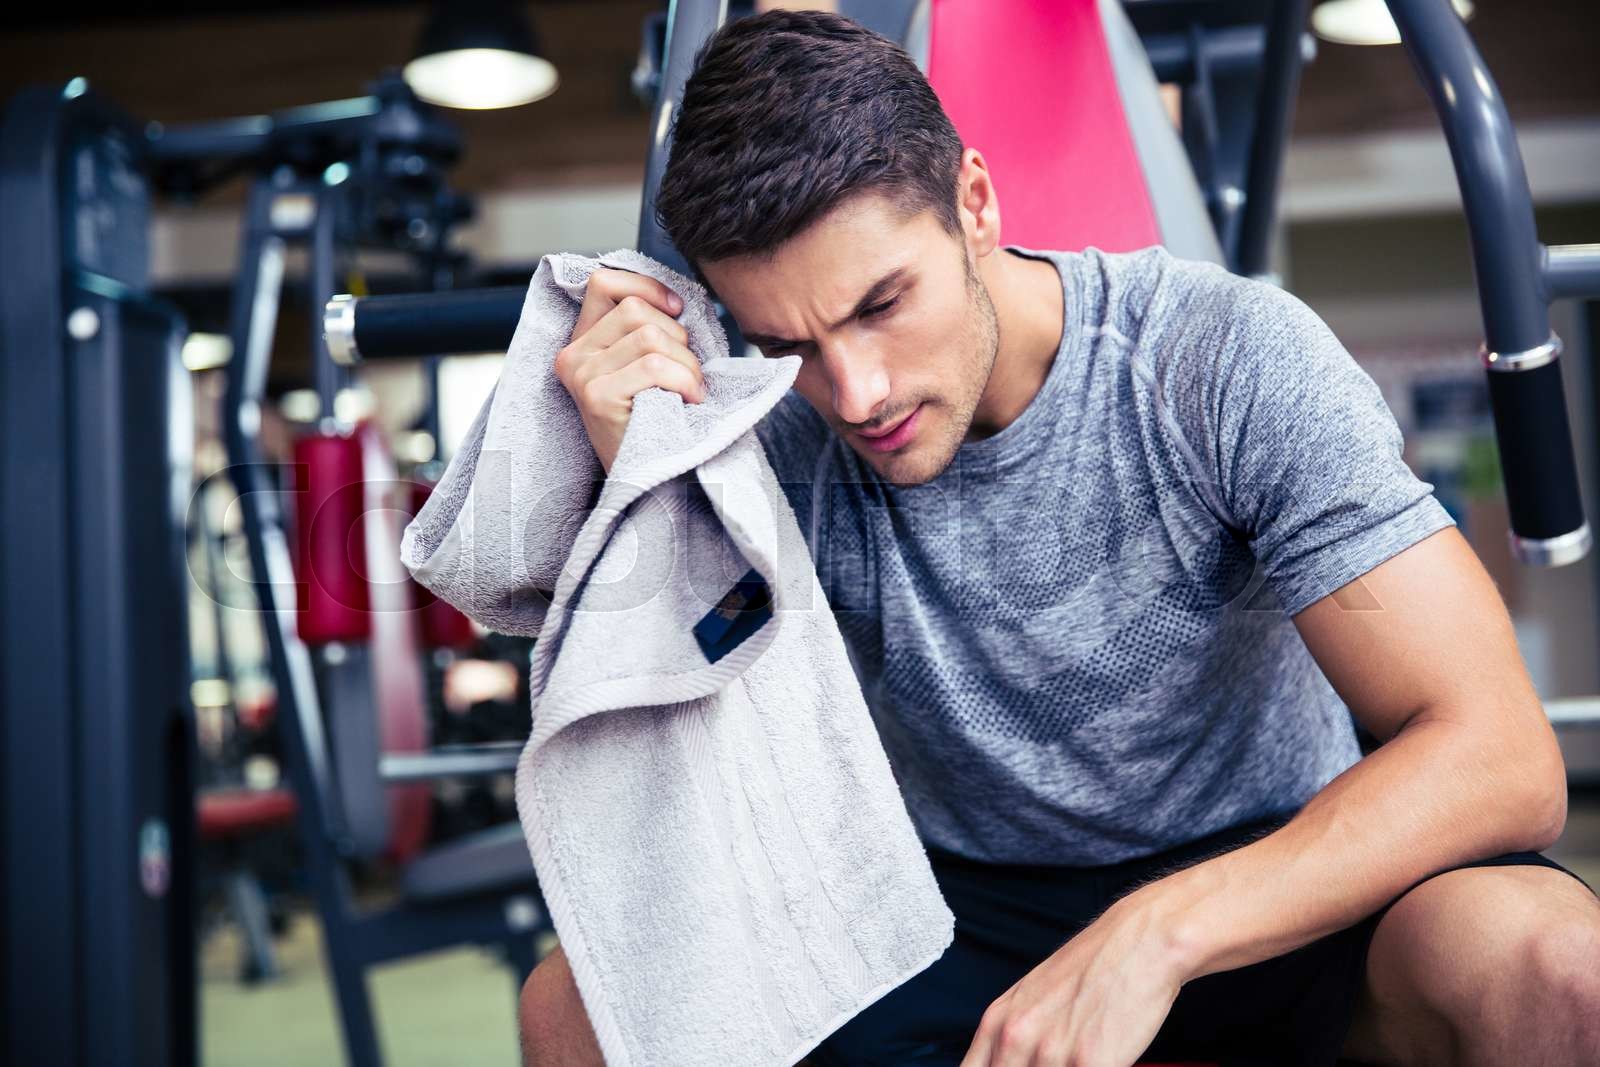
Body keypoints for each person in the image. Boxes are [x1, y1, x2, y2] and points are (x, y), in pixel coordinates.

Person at [521, 10, 1600, 1066]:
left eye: (881, 303)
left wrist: (1154, 932)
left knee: (1558, 964)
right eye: (788, 341)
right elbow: (695, 796)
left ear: (974, 204)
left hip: (1281, 873)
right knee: (582, 1007)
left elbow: (1501, 756)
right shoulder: (768, 427)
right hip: (950, 911)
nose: (856, 391)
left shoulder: (1218, 362)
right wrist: (647, 480)